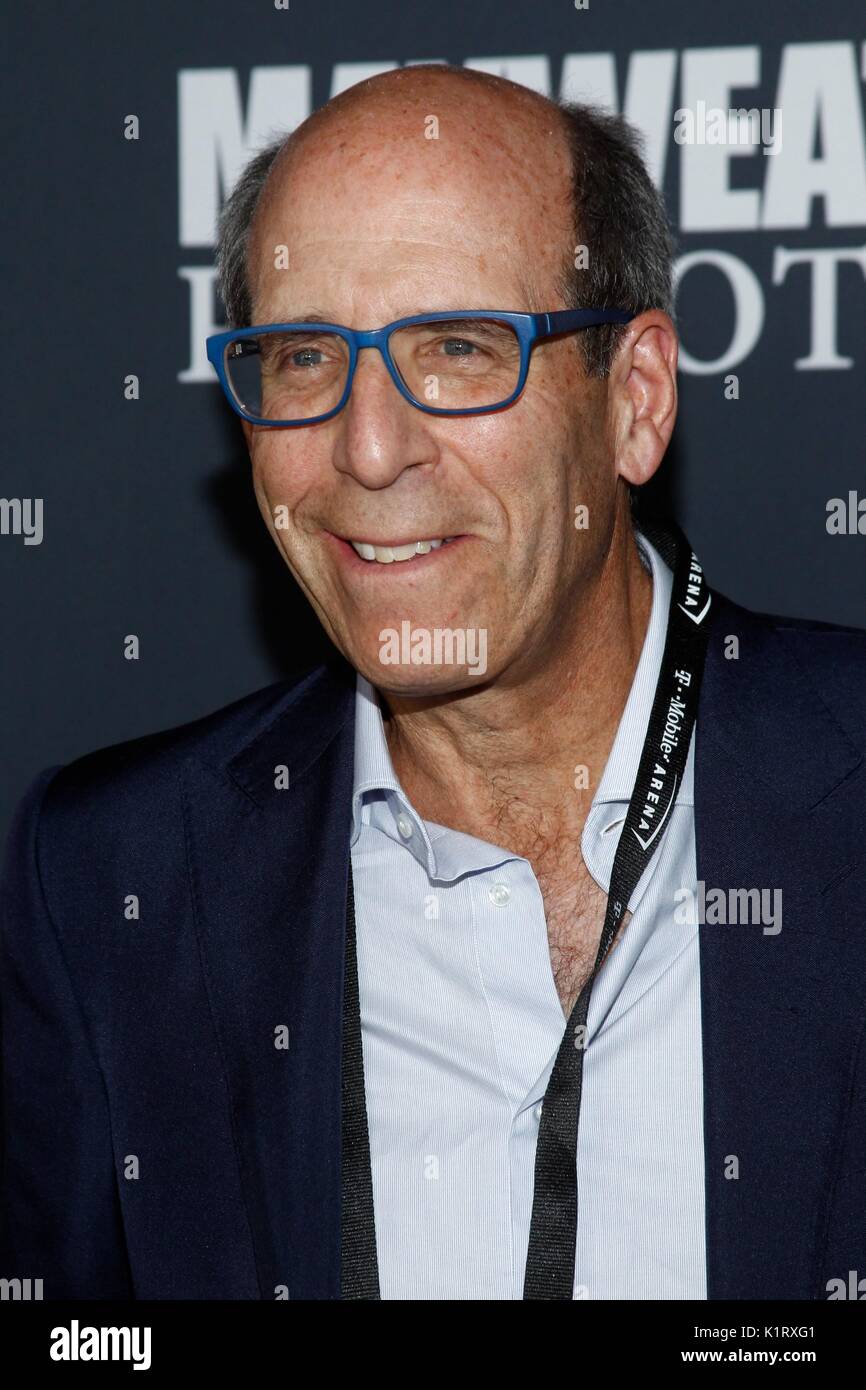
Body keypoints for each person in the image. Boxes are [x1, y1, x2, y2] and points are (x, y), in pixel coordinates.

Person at [1, 64, 864, 1302]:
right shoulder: (108, 884)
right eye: (303, 359)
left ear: (633, 401)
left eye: (457, 348)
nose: (366, 446)